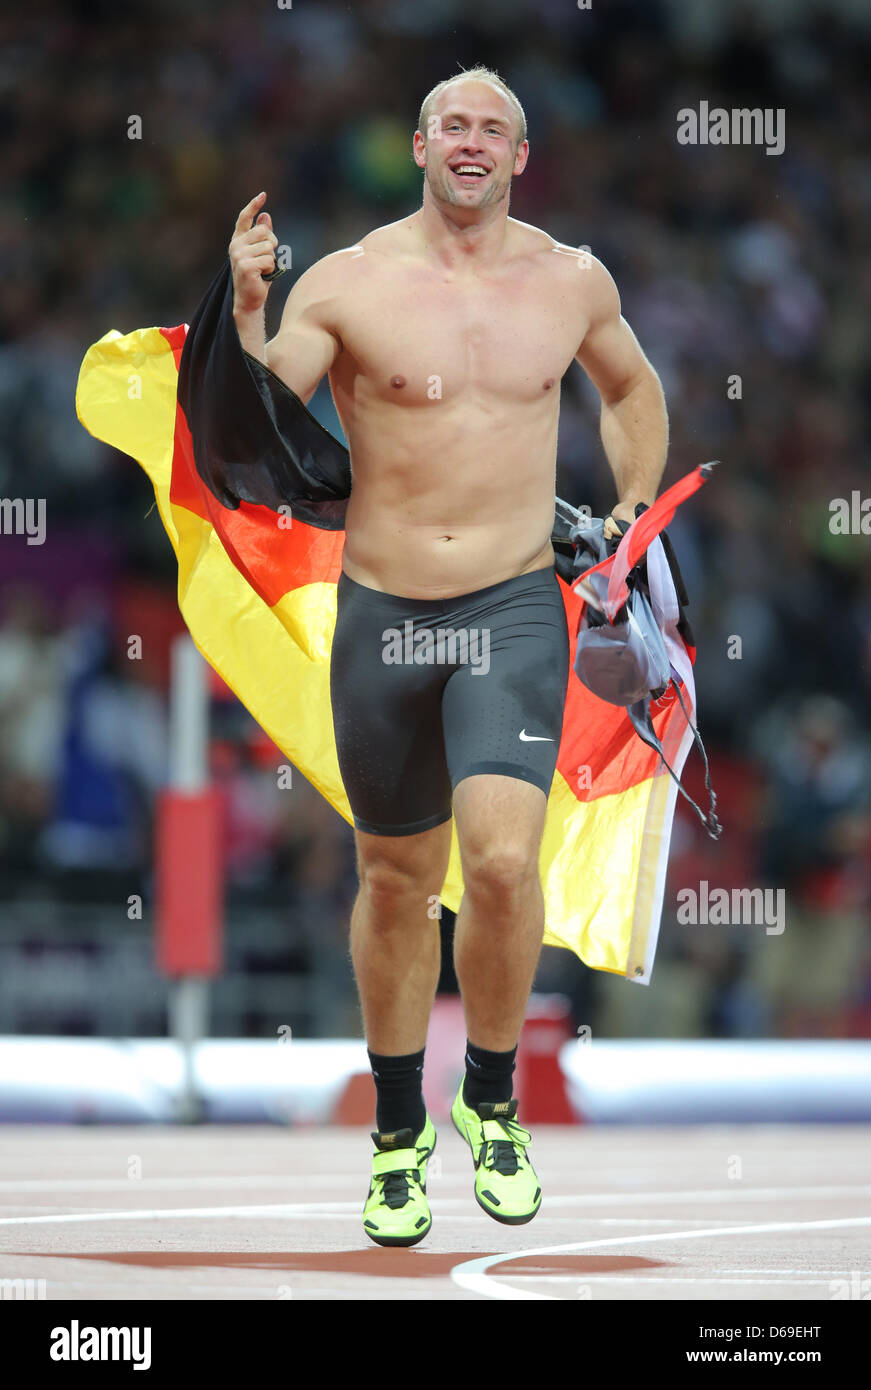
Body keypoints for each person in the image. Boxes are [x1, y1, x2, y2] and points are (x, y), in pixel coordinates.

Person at [229, 65, 668, 1246]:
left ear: (520, 157)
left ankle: (489, 1098)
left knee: (506, 863)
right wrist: (249, 321)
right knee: (393, 884)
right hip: (384, 614)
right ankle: (392, 1133)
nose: (472, 143)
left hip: (513, 608)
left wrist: (628, 508)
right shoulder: (351, 281)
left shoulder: (570, 280)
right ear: (419, 146)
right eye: (453, 126)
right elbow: (251, 447)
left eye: (495, 129)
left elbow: (630, 387)